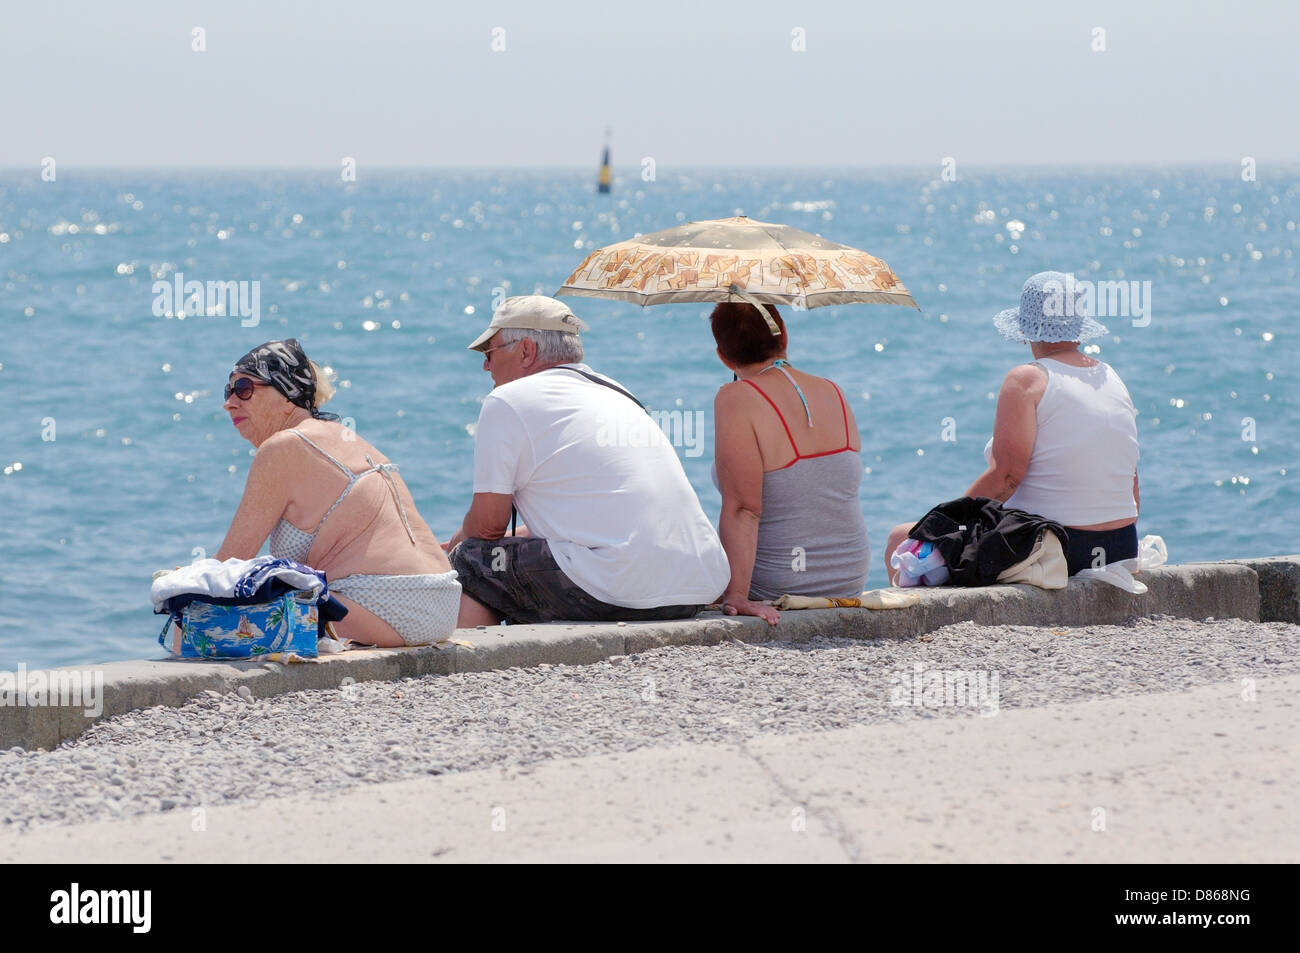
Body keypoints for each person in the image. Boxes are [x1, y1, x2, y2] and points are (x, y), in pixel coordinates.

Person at [445, 295, 730, 626]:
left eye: (489, 352)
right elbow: (592, 517)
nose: (486, 366)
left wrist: (455, 544)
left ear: (525, 351)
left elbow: (488, 527)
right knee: (512, 564)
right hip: (695, 587)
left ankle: (477, 661)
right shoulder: (617, 392)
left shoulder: (507, 400)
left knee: (471, 561)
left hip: (617, 591)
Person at [884, 271, 1140, 581]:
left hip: (1057, 547)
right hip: (1121, 546)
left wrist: (947, 524)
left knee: (902, 540)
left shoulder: (1027, 380)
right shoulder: (1111, 377)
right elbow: (1130, 481)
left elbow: (1006, 477)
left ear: (1027, 329)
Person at [215, 339, 460, 646]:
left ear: (286, 393)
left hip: (388, 606)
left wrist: (176, 583)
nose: (230, 402)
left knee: (198, 613)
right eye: (228, 391)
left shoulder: (283, 447)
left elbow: (229, 565)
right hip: (444, 600)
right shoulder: (351, 440)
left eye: (243, 388)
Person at [710, 302, 869, 624]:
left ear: (722, 356)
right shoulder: (832, 390)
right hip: (849, 578)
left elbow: (744, 508)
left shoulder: (734, 398)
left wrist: (737, 596)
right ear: (783, 336)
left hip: (781, 582)